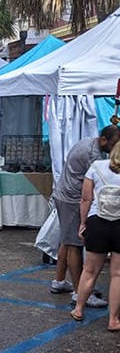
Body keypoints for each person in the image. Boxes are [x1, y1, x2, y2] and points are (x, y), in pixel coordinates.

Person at [51, 125, 120, 306]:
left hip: (63, 193)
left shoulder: (88, 142)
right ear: (104, 140)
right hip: (72, 199)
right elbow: (91, 193)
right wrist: (85, 219)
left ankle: (59, 281)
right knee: (75, 244)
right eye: (114, 144)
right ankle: (78, 292)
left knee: (66, 240)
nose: (115, 148)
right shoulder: (95, 157)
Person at [70, 142, 120, 326]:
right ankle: (113, 319)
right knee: (117, 274)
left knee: (90, 270)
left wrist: (83, 223)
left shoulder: (97, 167)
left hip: (97, 222)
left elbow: (86, 198)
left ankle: (79, 309)